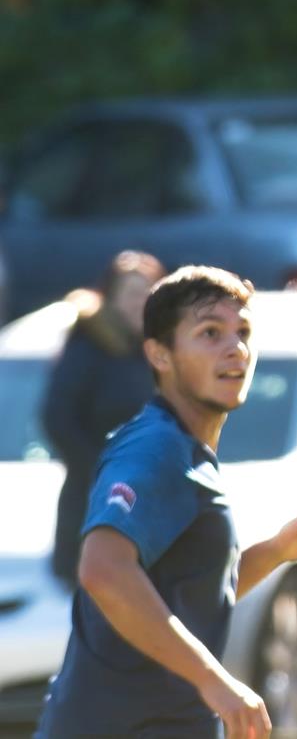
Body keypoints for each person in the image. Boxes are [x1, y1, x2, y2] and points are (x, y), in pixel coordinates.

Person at [36, 266, 297, 739]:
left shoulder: (187, 451)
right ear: (159, 355)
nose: (235, 347)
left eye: (243, 332)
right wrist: (215, 682)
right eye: (210, 333)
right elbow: (103, 570)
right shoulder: (155, 449)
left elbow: (189, 598)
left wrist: (277, 550)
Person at [43, 249, 165, 586]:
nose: (138, 303)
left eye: (147, 295)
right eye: (130, 294)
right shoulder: (89, 345)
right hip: (93, 495)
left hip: (148, 495)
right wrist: (101, 469)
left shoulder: (157, 352)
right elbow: (58, 417)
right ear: (111, 297)